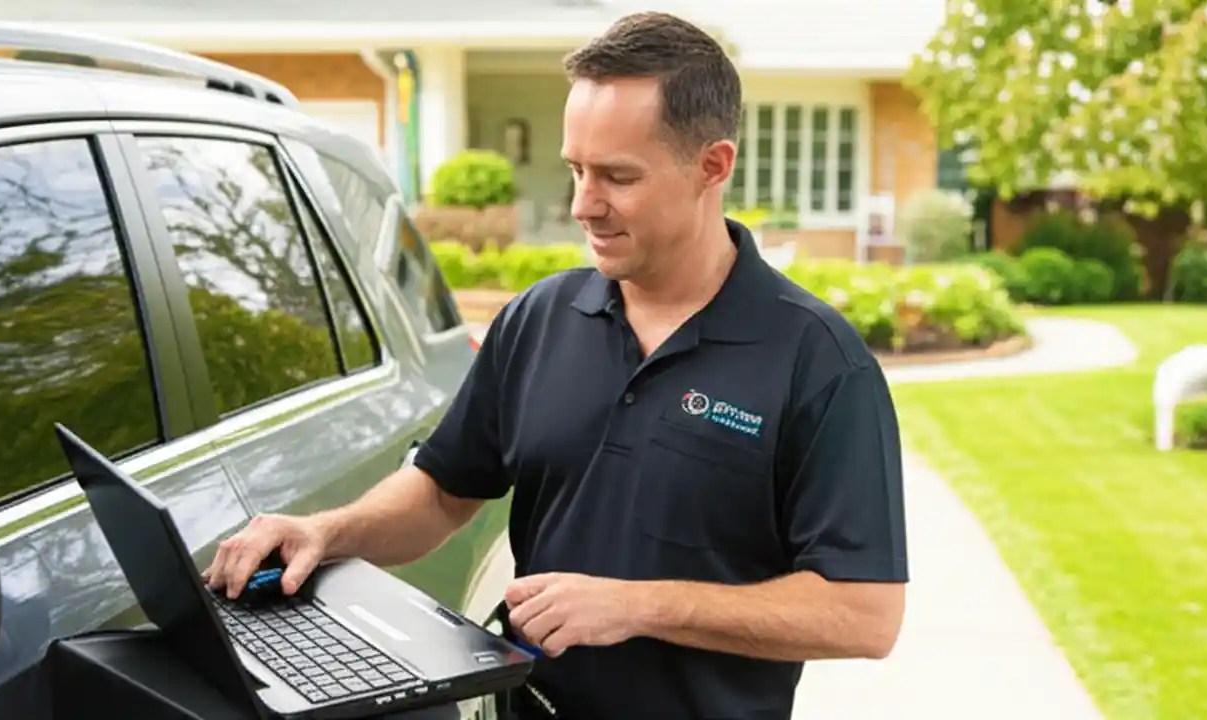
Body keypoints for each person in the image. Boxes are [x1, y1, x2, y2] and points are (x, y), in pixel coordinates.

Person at [204, 11, 908, 719]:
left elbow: (863, 614)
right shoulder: (540, 319)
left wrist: (637, 606)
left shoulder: (818, 363)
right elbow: (445, 491)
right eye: (576, 169)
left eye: (617, 177)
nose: (583, 205)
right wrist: (326, 532)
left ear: (713, 165)